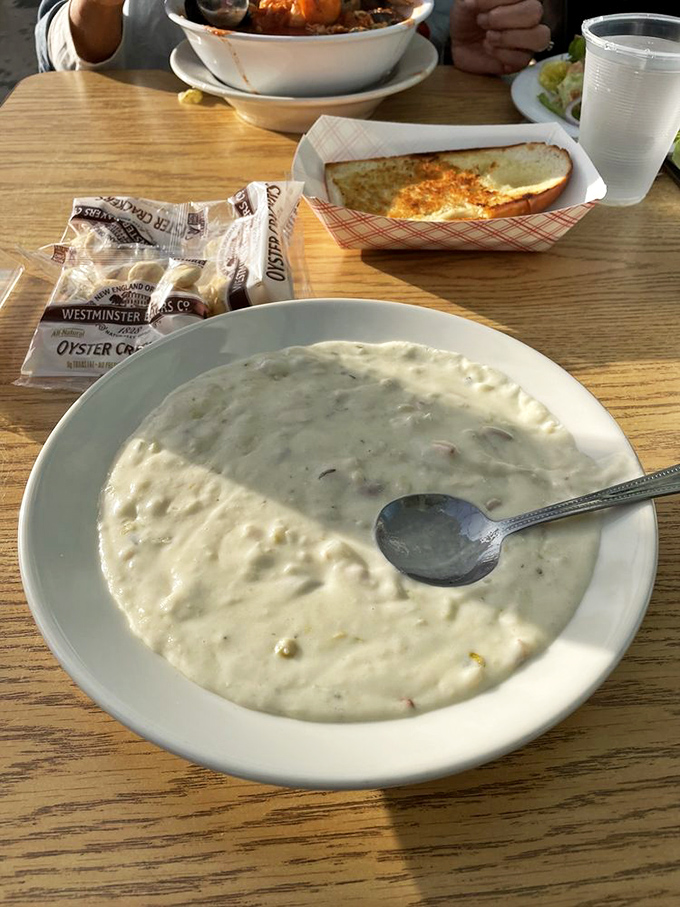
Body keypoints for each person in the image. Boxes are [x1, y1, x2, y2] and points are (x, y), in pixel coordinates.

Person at [36, 0, 551, 74]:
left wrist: (454, 48)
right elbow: (55, 46)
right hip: (163, 178)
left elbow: (424, 24)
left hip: (378, 169)